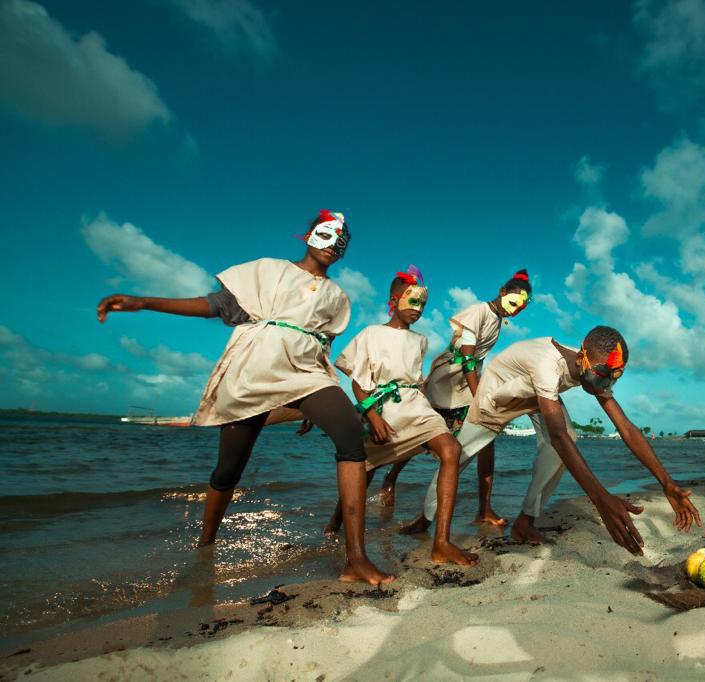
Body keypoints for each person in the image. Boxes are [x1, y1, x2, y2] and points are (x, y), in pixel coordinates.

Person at [96, 210, 394, 585]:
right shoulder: (269, 270)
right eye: (328, 235)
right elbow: (215, 306)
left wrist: (319, 396)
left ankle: (356, 559)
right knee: (228, 469)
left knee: (351, 433)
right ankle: (205, 547)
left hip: (308, 372)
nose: (334, 245)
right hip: (254, 368)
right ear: (308, 235)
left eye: (342, 241)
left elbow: (323, 344)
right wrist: (145, 302)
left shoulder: (337, 296)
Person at [402, 326, 702, 555]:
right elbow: (557, 436)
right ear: (583, 358)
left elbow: (625, 427)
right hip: (498, 394)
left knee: (568, 437)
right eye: (601, 375)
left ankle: (525, 522)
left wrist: (666, 481)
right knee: (460, 454)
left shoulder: (593, 370)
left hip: (539, 396)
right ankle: (425, 519)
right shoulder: (549, 364)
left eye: (613, 378)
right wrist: (602, 500)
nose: (605, 384)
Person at [322, 267, 479, 566]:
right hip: (382, 406)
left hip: (417, 405)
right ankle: (334, 525)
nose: (418, 310)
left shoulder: (420, 341)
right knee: (363, 472)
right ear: (394, 301)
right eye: (413, 302)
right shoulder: (372, 333)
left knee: (451, 449)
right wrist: (372, 415)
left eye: (423, 304)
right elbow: (357, 380)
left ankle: (442, 543)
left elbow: (416, 380)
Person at [376, 270, 533, 524]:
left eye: (522, 307)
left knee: (486, 440)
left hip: (469, 383)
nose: (517, 310)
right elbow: (468, 359)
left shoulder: (496, 319)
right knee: (421, 436)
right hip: (447, 382)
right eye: (515, 302)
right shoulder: (478, 311)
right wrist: (479, 397)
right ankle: (391, 477)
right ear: (503, 292)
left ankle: (484, 509)